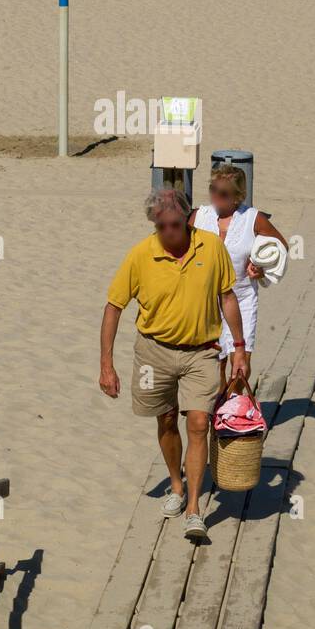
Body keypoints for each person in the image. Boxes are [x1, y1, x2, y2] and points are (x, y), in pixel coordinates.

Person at [100, 187, 246, 540]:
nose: (168, 232)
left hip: (202, 352)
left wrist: (240, 347)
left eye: (175, 224)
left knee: (198, 423)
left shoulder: (211, 248)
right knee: (166, 420)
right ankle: (177, 486)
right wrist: (106, 364)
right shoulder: (140, 255)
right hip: (154, 352)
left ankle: (194, 508)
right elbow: (114, 307)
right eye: (161, 226)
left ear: (187, 220)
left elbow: (227, 296)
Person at [190, 165, 287, 392]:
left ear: (238, 196)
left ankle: (234, 405)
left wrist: (260, 267)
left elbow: (280, 246)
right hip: (206, 302)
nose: (215, 196)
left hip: (241, 298)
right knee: (215, 364)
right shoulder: (199, 216)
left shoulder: (253, 219)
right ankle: (218, 411)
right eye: (212, 189)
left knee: (240, 364)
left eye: (223, 193)